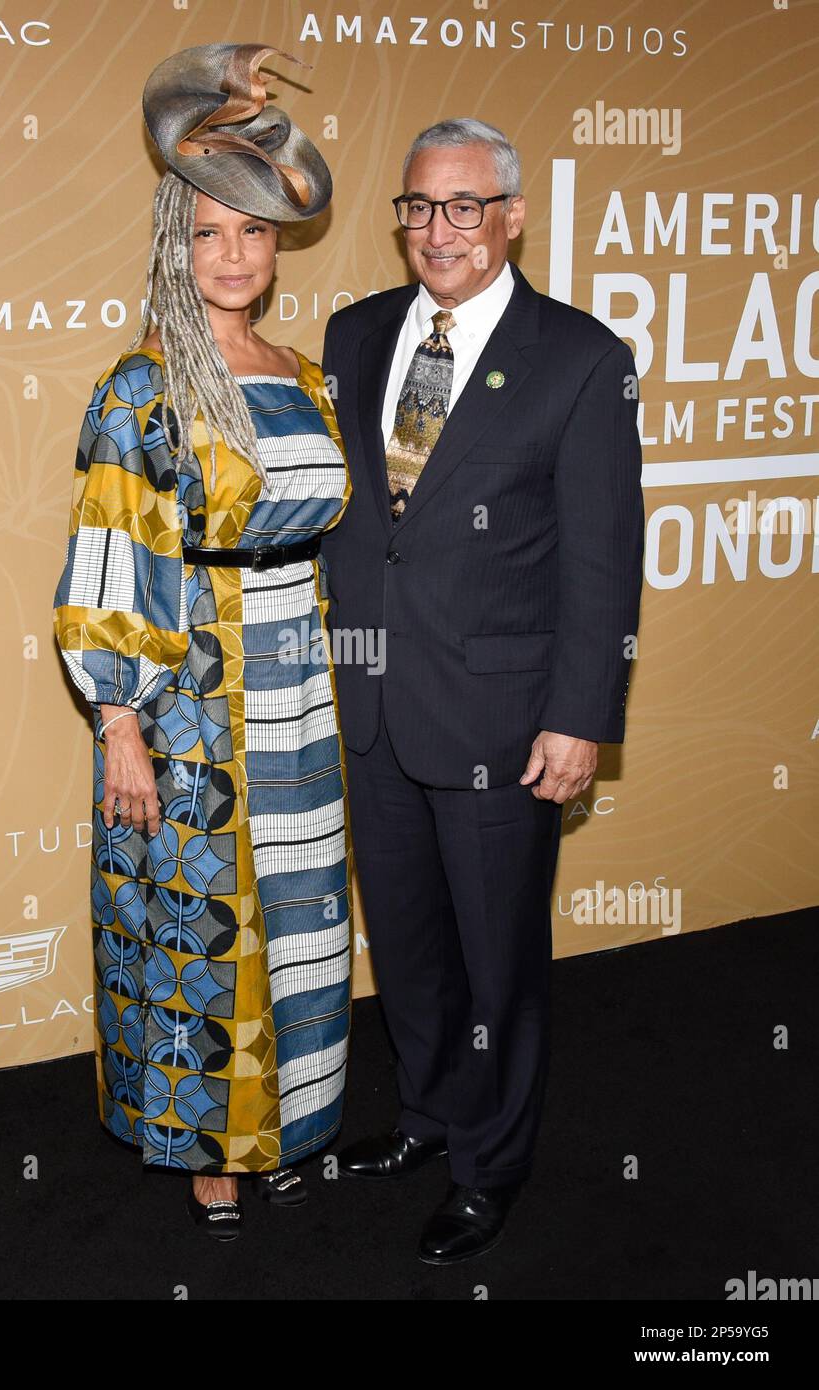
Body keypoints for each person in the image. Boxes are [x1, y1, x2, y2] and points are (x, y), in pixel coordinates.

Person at [321, 117, 645, 1265]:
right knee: (406, 941)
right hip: (372, 703)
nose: (437, 230)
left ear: (509, 216)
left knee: (496, 957)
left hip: (505, 722)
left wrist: (578, 718)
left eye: (464, 207)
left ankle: (488, 1163)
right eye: (418, 206)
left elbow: (602, 560)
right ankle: (423, 1117)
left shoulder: (578, 358)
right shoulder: (354, 333)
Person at [52, 43, 354, 1242]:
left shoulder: (310, 379)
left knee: (294, 916)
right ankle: (206, 1150)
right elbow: (108, 558)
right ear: (175, 249)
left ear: (279, 246)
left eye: (252, 235)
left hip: (301, 694)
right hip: (188, 693)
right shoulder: (143, 386)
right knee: (195, 926)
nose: (233, 257)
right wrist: (118, 720)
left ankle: (280, 1122)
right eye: (206, 235)